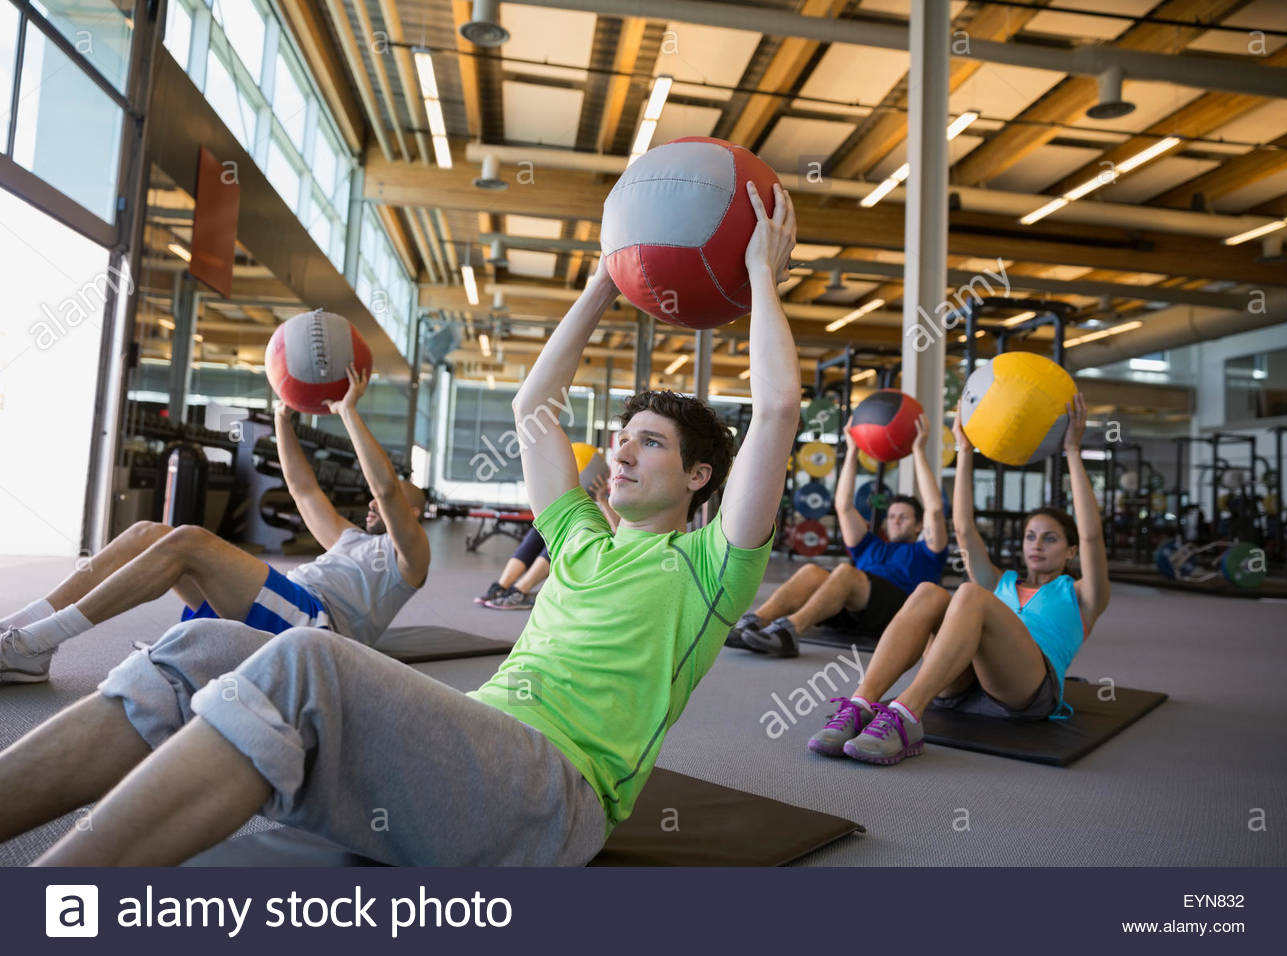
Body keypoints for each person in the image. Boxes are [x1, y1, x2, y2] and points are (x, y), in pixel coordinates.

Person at [0, 180, 800, 866]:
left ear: (698, 477)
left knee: (309, 660)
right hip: (469, 753)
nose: (621, 454)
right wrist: (603, 281)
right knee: (199, 645)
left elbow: (775, 412)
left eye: (648, 445)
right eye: (621, 439)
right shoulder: (578, 538)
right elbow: (531, 409)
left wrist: (761, 276)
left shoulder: (710, 565)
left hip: (550, 800)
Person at [0, 363, 429, 685]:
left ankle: (34, 645)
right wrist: (283, 417)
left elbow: (389, 490)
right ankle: (22, 625)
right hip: (277, 601)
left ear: (414, 515)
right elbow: (303, 490)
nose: (373, 503)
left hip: (313, 629)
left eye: (386, 503)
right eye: (371, 501)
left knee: (190, 541)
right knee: (150, 532)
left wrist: (349, 411)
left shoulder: (409, 557)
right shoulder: (348, 538)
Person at [808, 394, 1109, 765]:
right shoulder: (1002, 580)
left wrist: (1073, 453)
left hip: (1026, 692)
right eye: (1031, 536)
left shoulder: (1081, 595)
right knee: (928, 593)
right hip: (965, 685)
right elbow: (964, 529)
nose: (1036, 545)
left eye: (1050, 538)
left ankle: (906, 716)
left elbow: (1093, 535)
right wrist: (964, 450)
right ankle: (860, 704)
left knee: (969, 594)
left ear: (1071, 551)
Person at [728, 414, 948, 658]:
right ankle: (754, 622)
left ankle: (790, 630)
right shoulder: (871, 546)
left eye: (904, 517)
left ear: (919, 526)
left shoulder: (927, 552)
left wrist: (918, 451)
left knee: (845, 572)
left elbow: (935, 509)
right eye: (892, 516)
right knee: (812, 571)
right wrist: (852, 451)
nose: (895, 521)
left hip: (898, 611)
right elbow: (843, 506)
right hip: (854, 608)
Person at [476, 475, 619, 610]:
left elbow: (618, 532)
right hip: (586, 532)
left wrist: (602, 500)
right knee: (540, 531)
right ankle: (501, 586)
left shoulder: (629, 497)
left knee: (563, 539)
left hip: (600, 544)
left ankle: (518, 592)